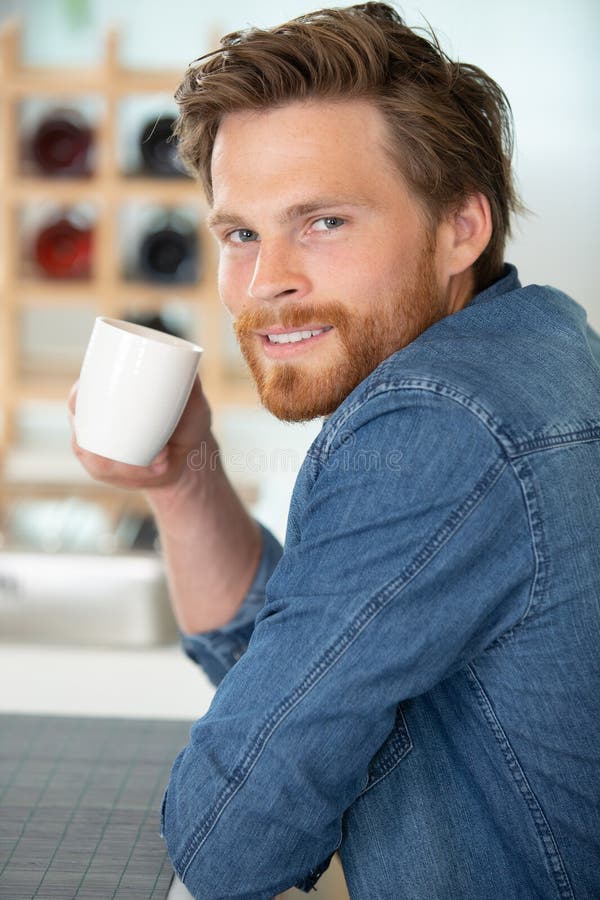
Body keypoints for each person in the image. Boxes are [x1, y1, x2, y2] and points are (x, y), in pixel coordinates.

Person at [69, 3, 600, 898]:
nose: (267, 279)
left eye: (323, 222)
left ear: (460, 229)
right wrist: (182, 473)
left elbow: (230, 844)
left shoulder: (434, 423)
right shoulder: (541, 341)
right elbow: (290, 675)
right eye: (242, 232)